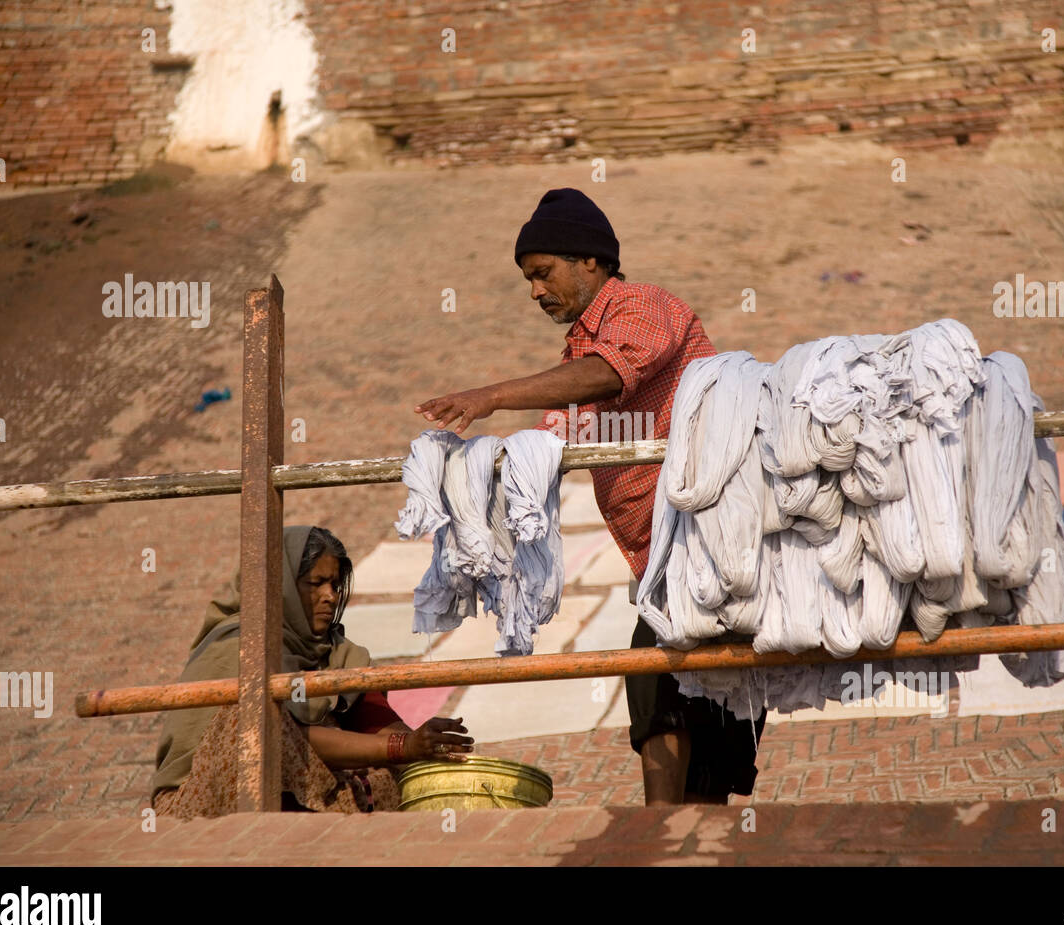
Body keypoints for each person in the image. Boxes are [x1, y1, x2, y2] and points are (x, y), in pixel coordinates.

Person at [414, 187, 766, 806]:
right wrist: (481, 476)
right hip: (664, 560)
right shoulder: (578, 349)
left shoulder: (645, 308)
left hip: (710, 543)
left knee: (660, 678)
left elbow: (608, 374)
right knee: (683, 696)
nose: (535, 292)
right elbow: (562, 432)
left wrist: (490, 395)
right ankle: (677, 826)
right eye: (528, 279)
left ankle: (661, 827)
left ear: (591, 262)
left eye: (543, 273)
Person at [150, 525, 474, 818]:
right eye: (315, 584)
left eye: (334, 584)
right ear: (282, 588)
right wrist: (399, 747)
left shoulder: (339, 654)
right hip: (207, 800)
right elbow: (274, 734)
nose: (330, 596)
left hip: (306, 796)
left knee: (397, 779)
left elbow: (379, 725)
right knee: (252, 718)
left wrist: (428, 746)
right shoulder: (237, 646)